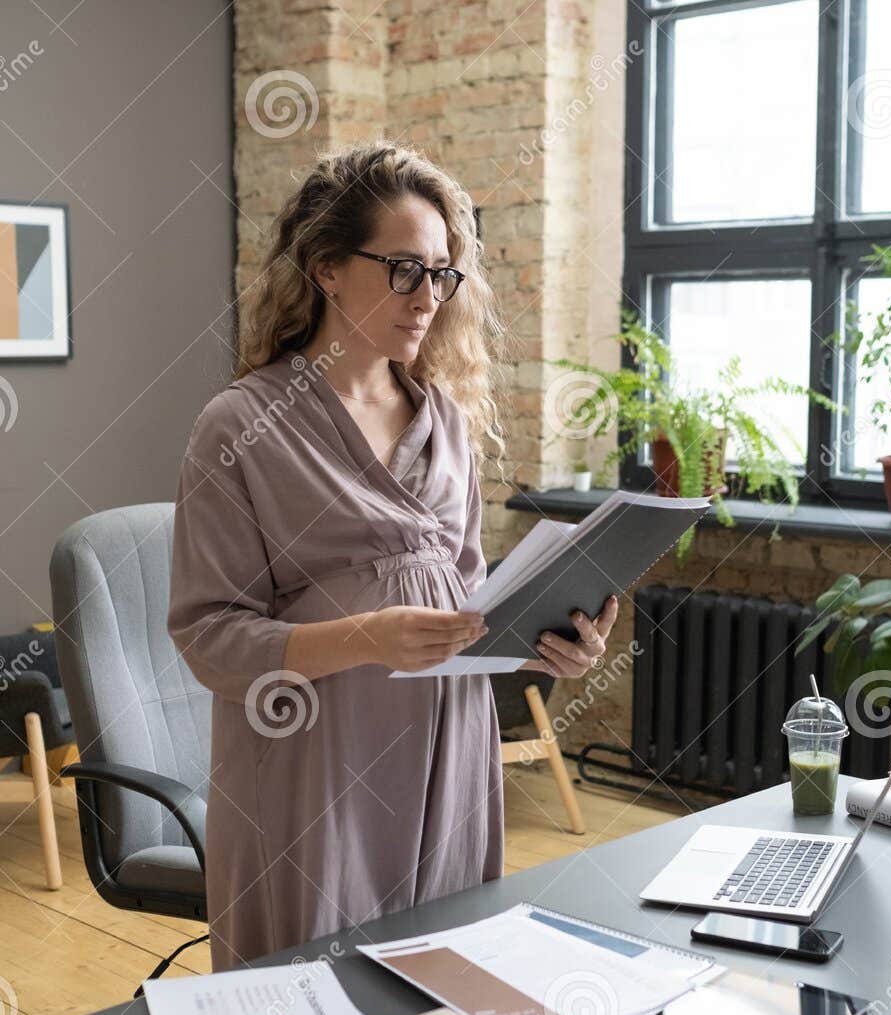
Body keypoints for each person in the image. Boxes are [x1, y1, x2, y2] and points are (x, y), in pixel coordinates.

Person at [167, 140, 617, 970]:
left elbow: (470, 599)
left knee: (436, 987)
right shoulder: (237, 427)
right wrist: (367, 638)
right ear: (328, 268)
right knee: (310, 1011)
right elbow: (210, 637)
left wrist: (554, 643)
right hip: (311, 753)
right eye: (405, 269)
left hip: (449, 745)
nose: (430, 297)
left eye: (443, 274)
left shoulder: (443, 420)